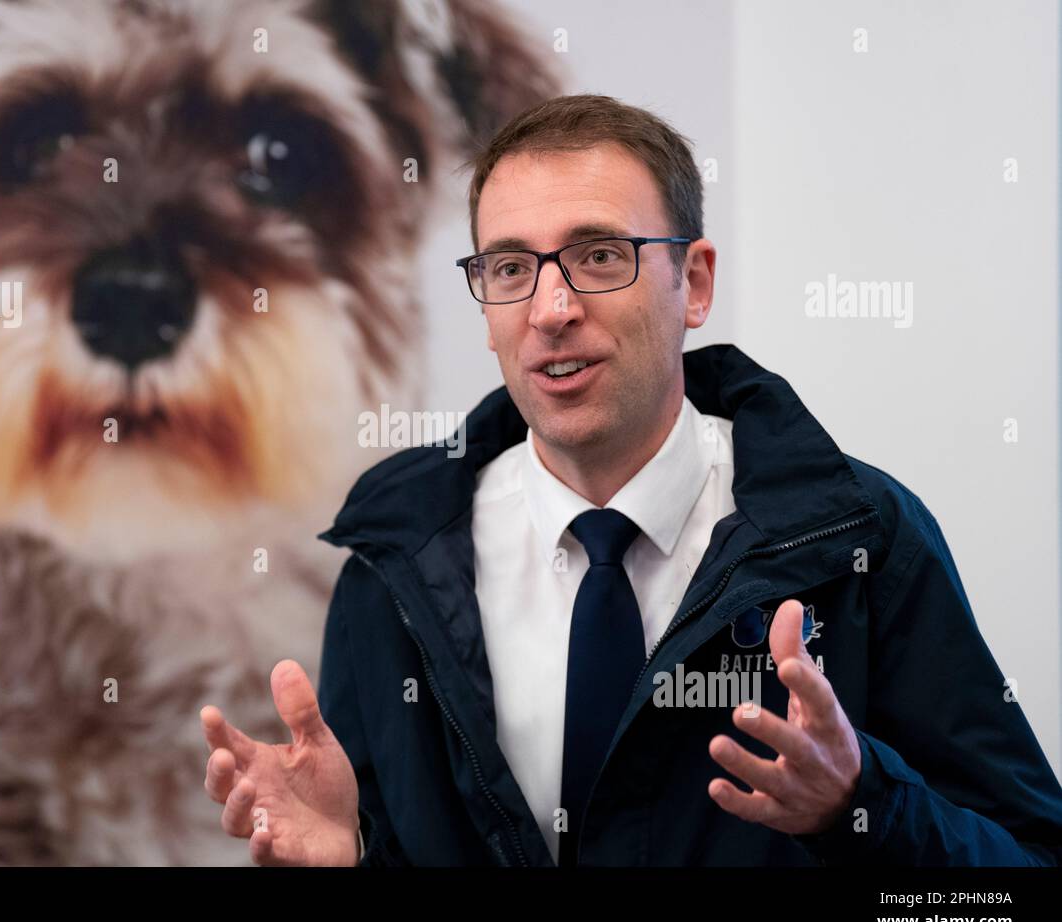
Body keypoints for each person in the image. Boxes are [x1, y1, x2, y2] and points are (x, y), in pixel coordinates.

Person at [200, 93, 1062, 866]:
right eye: (509, 269)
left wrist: (860, 806)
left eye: (600, 256)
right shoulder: (392, 565)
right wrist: (351, 858)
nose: (552, 308)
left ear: (693, 283)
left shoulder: (861, 541)